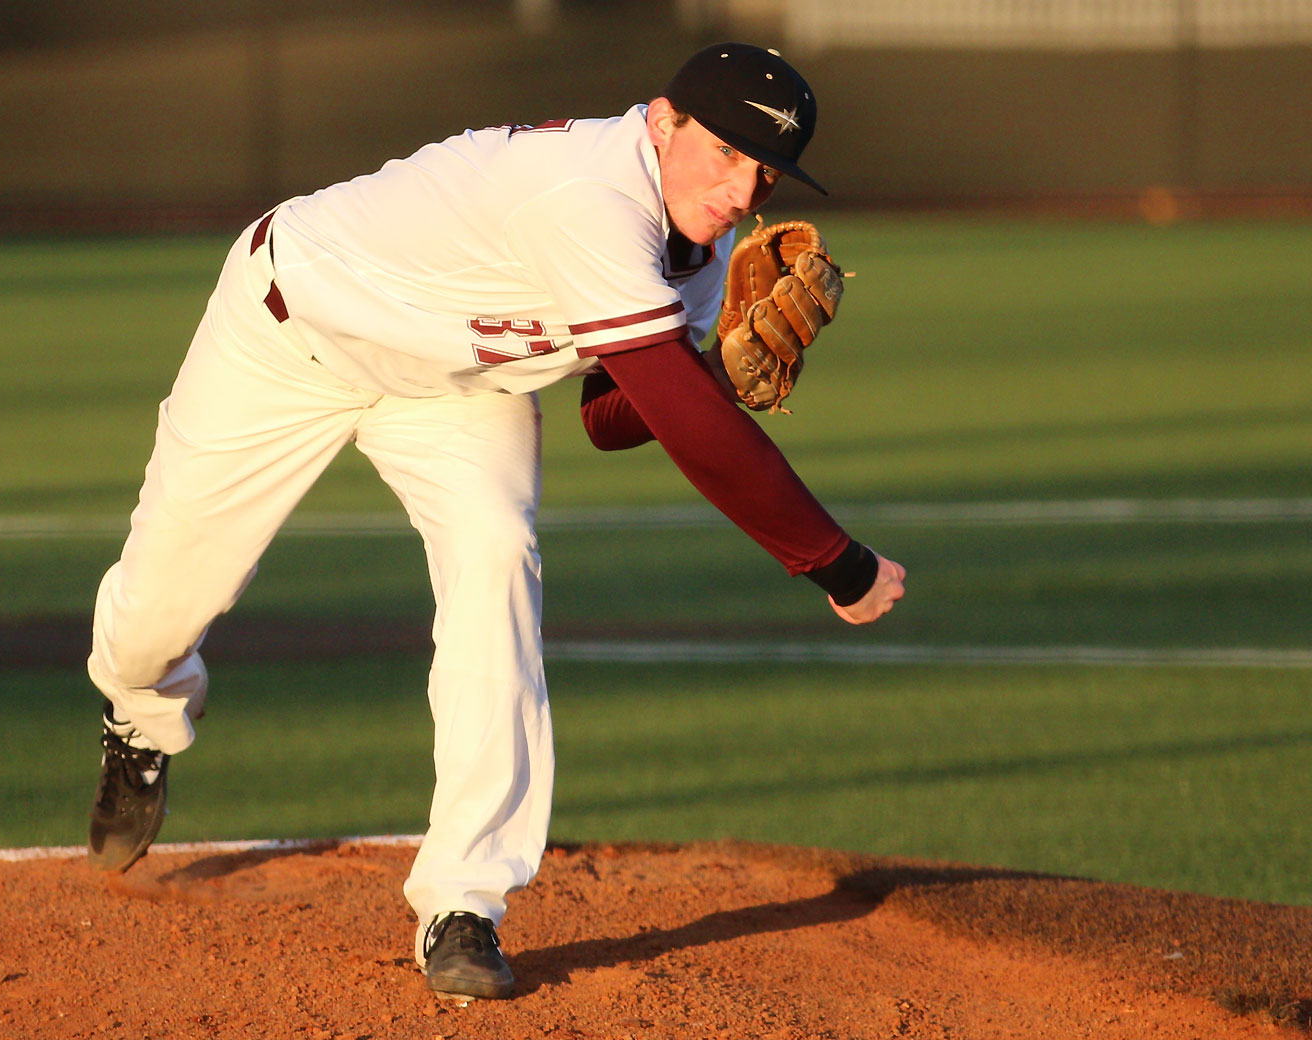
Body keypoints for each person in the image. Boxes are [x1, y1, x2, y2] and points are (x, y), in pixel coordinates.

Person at [84, 41, 907, 1001]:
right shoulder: (590, 196)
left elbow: (609, 416)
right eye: (725, 151)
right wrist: (836, 562)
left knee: (497, 556)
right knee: (159, 607)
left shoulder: (702, 246)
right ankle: (139, 713)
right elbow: (689, 429)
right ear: (662, 121)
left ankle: (463, 903)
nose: (741, 190)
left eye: (764, 172)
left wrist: (712, 371)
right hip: (289, 333)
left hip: (461, 389)